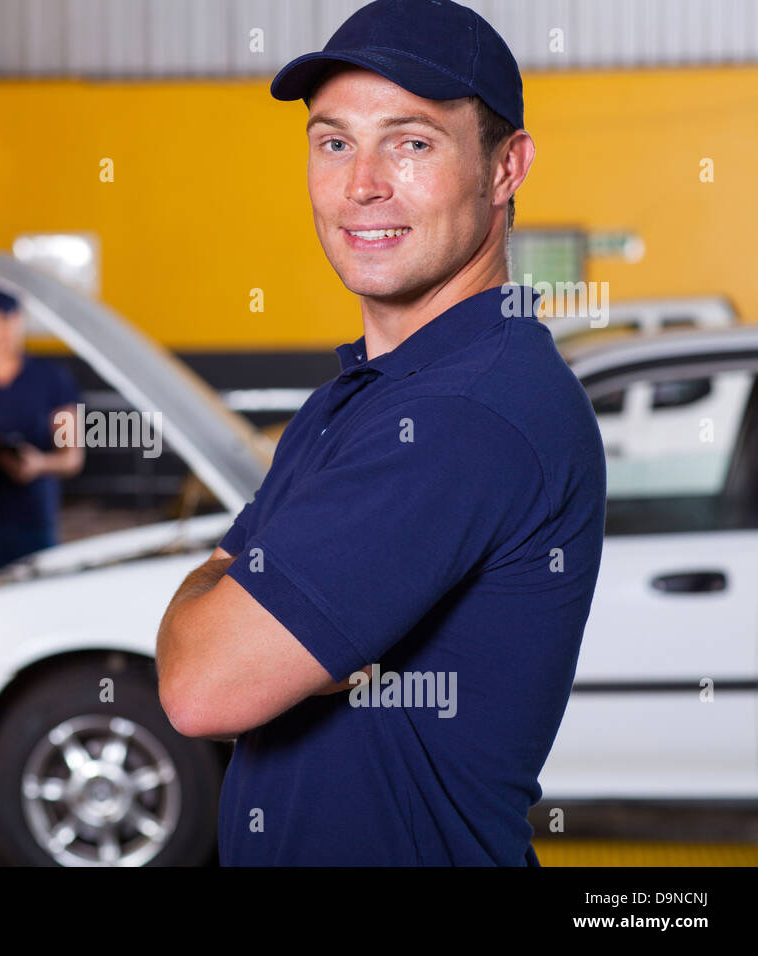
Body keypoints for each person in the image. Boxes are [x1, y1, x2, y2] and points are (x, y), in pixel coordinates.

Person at [156, 0, 606, 866]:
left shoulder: (465, 413)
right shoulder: (360, 395)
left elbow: (199, 687)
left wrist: (221, 582)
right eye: (334, 142)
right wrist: (232, 598)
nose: (362, 184)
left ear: (506, 167)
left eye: (411, 142)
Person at [0, 284, 85, 578]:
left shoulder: (52, 379)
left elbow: (72, 458)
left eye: (5, 320)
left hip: (32, 521)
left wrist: (40, 464)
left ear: (20, 321)